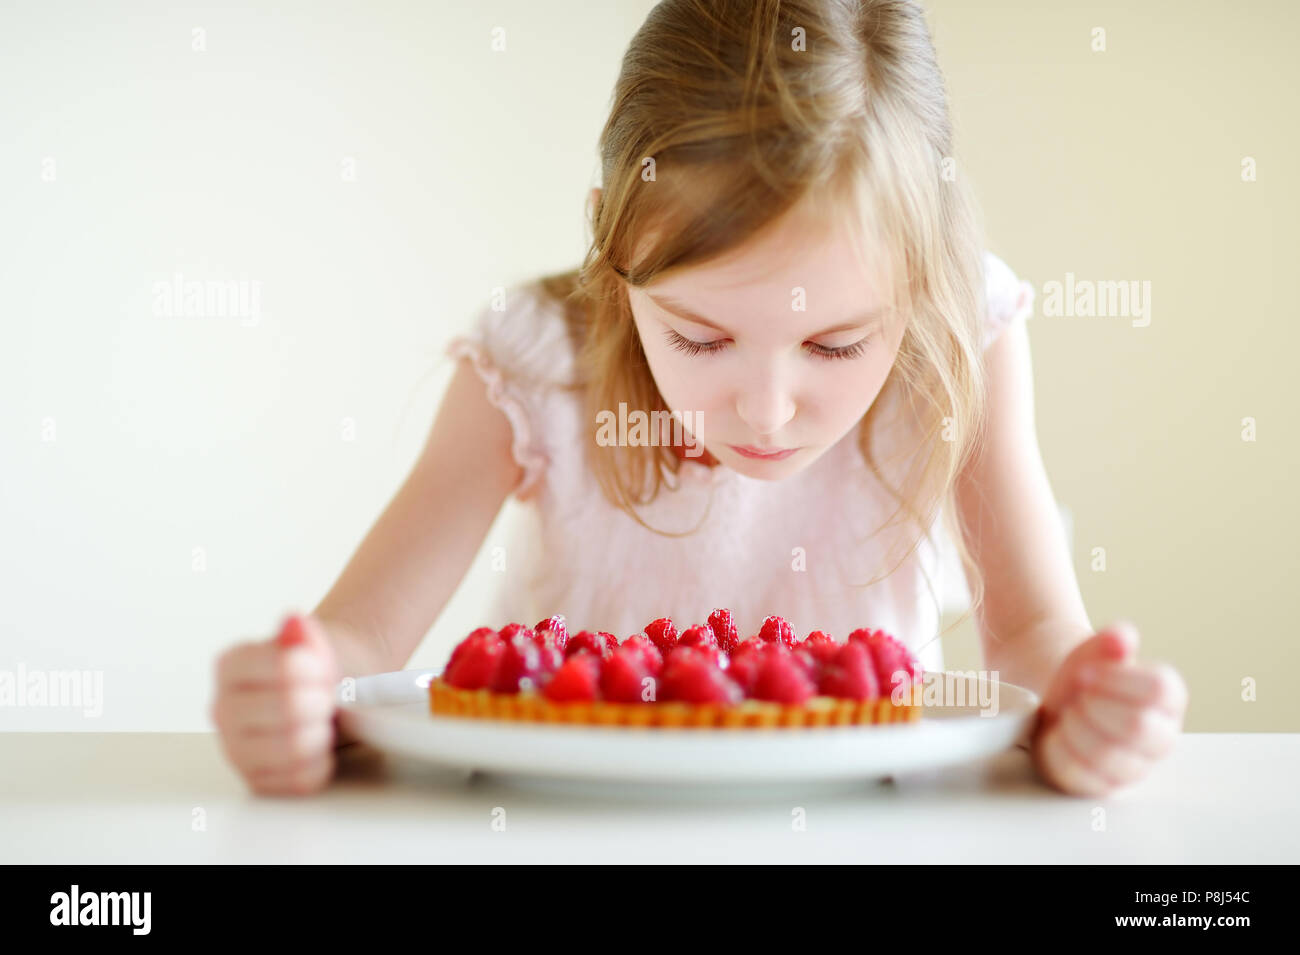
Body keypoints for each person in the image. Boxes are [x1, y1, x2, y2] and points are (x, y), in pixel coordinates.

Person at [212, 0, 1187, 798]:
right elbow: (363, 642)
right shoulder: (533, 360)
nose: (765, 410)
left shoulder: (959, 339)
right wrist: (299, 693)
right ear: (612, 246)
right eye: (700, 336)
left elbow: (1026, 636)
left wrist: (1082, 707)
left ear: (927, 274)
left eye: (837, 341)